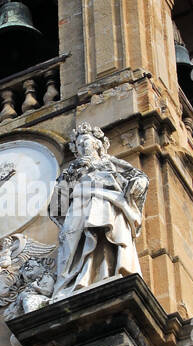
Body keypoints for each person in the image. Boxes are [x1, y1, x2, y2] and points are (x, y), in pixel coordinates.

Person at [50, 124, 148, 299]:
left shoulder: (109, 162)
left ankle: (101, 275)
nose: (83, 147)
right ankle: (67, 284)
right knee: (69, 242)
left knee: (102, 234)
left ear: (98, 144)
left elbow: (138, 177)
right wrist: (72, 173)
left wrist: (137, 184)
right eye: (78, 145)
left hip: (104, 201)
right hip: (78, 206)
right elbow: (57, 204)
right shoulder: (71, 170)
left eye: (86, 141)